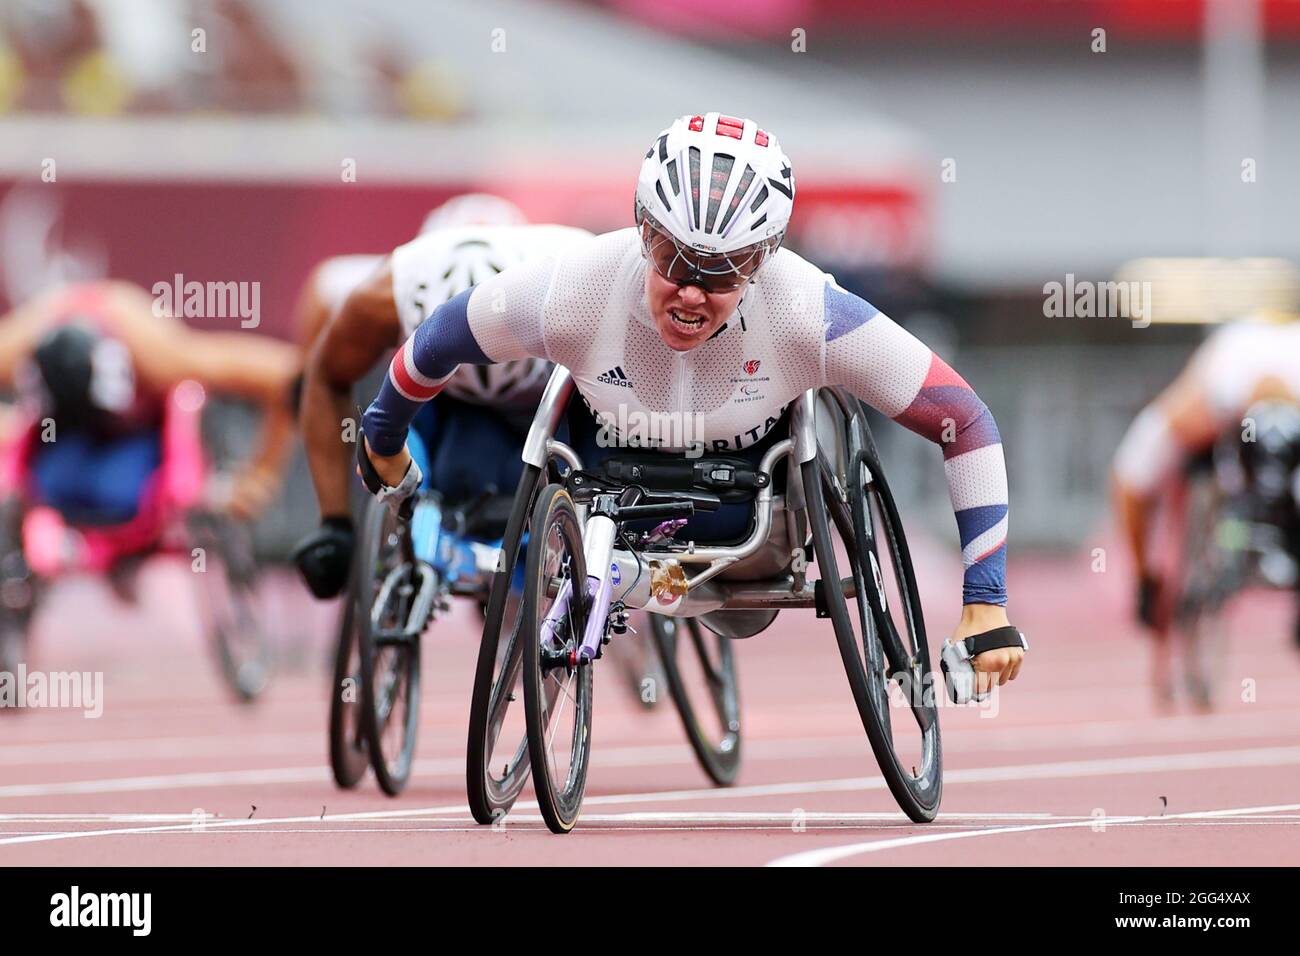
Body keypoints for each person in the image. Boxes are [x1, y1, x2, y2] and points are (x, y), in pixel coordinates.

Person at [355, 112, 1023, 695]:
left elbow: (962, 418)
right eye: (675, 261)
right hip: (608, 481)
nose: (692, 293)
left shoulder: (809, 311)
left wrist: (985, 603)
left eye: (723, 272)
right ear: (644, 231)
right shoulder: (577, 288)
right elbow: (437, 338)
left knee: (736, 612)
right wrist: (381, 440)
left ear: (762, 260)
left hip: (747, 507)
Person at [291, 206, 589, 599]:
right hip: (442, 407)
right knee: (416, 427)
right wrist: (335, 523)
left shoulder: (581, 275)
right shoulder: (384, 293)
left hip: (553, 395)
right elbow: (325, 375)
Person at [0, 279, 298, 525]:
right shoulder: (17, 347)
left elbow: (285, 375)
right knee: (48, 485)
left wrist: (263, 475)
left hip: (142, 437)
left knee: (118, 492)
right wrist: (10, 427)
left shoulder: (157, 355)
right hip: (57, 433)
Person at [1112, 316, 1300, 673]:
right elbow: (1130, 478)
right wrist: (1145, 579)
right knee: (1139, 467)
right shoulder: (1219, 387)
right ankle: (1145, 588)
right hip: (1226, 387)